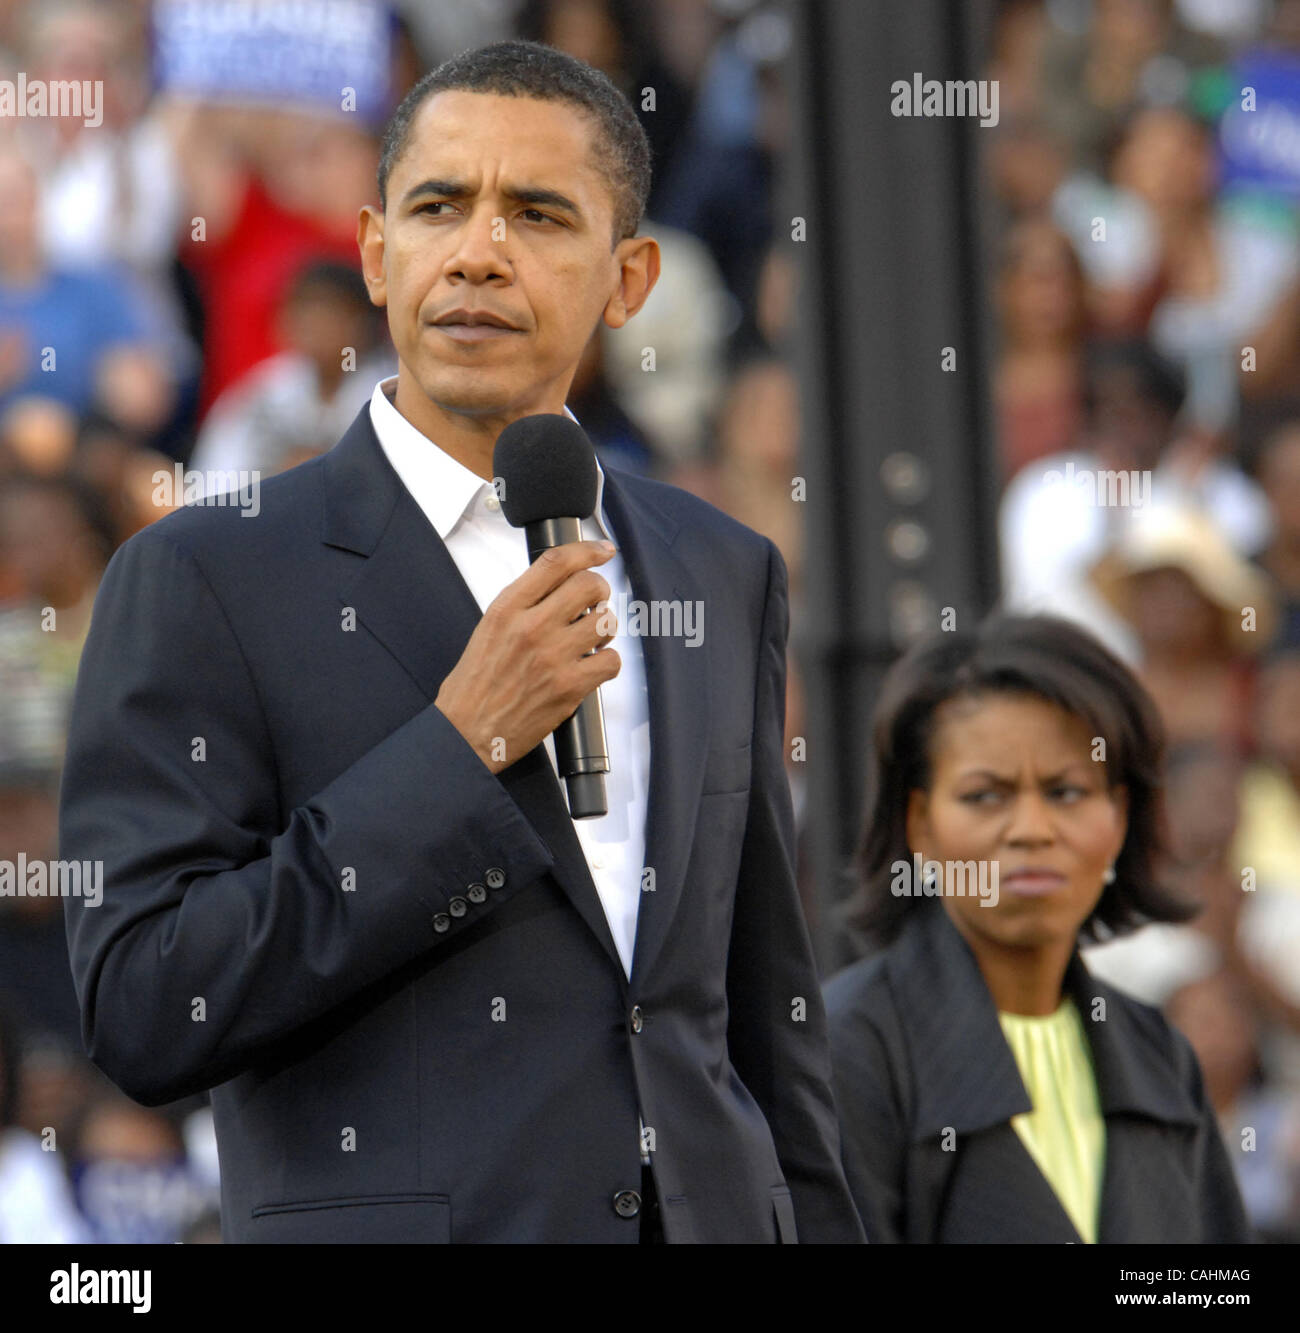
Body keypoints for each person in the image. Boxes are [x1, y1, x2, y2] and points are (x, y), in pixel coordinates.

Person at [60, 40, 862, 1245]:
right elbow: (144, 1002)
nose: (479, 250)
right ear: (379, 256)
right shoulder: (203, 575)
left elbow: (763, 1010)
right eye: (440, 206)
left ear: (627, 277)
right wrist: (455, 748)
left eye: (538, 214)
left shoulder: (720, 567)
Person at [823, 612, 1252, 1242]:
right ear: (919, 825)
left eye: (1066, 791)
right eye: (986, 795)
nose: (1031, 829)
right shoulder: (844, 1052)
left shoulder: (1159, 1055)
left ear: (1121, 815)